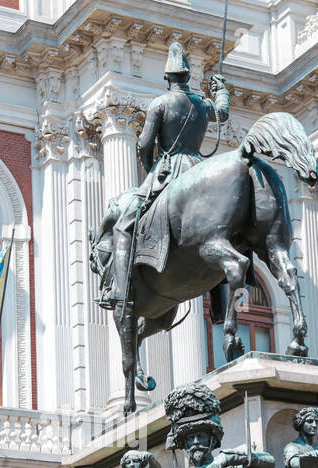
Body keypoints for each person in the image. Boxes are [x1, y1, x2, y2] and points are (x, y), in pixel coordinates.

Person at [96, 42, 230, 308]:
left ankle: (119, 291)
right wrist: (222, 90)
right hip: (198, 168)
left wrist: (150, 168)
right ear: (188, 76)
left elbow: (145, 144)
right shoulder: (203, 105)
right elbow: (222, 113)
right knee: (218, 231)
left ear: (167, 77)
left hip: (169, 170)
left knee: (124, 224)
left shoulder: (160, 104)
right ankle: (219, 303)